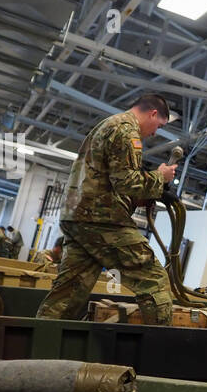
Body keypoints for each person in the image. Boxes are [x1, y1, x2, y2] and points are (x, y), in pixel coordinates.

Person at [35, 92, 177, 324]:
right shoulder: (126, 130)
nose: (154, 133)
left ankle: (39, 347)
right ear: (152, 114)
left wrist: (140, 197)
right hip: (102, 221)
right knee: (155, 280)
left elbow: (107, 182)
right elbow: (127, 181)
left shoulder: (108, 125)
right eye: (158, 126)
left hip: (78, 219)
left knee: (67, 296)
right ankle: (157, 350)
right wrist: (159, 177)